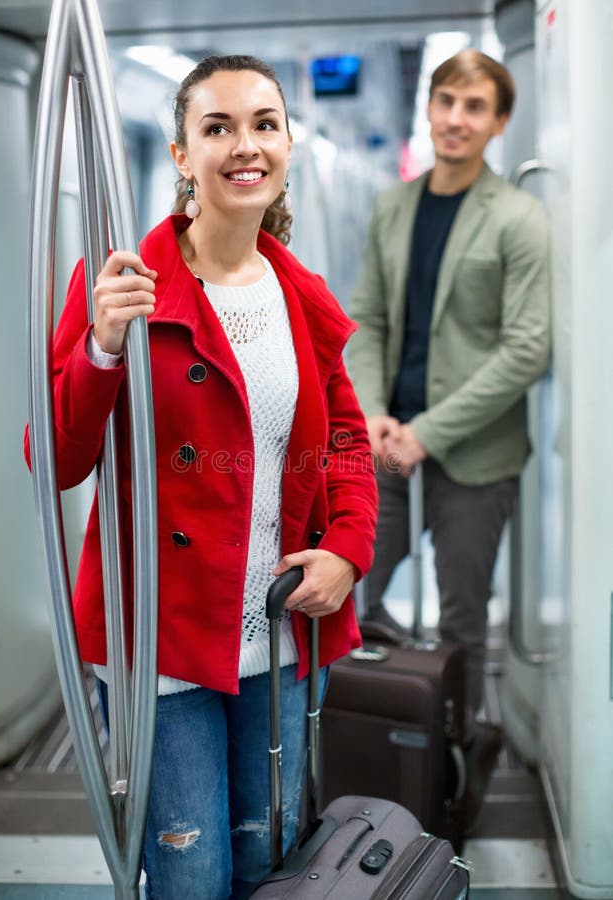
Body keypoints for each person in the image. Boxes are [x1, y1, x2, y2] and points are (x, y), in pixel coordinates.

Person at [24, 55, 377, 899]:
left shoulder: (298, 293)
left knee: (271, 860)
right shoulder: (123, 287)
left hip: (281, 630)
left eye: (264, 123)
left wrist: (347, 551)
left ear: (287, 143)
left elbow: (346, 443)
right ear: (182, 154)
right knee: (192, 873)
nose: (245, 145)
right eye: (217, 127)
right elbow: (56, 460)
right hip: (162, 642)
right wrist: (102, 349)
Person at [347, 49, 550, 827]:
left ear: (498, 123)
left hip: (473, 456)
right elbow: (367, 320)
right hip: (387, 445)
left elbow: (527, 350)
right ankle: (364, 748)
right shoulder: (392, 207)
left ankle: (449, 776)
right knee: (354, 592)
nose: (455, 120)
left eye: (474, 107)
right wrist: (371, 411)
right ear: (427, 108)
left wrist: (429, 433)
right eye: (445, 102)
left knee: (463, 619)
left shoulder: (518, 219)